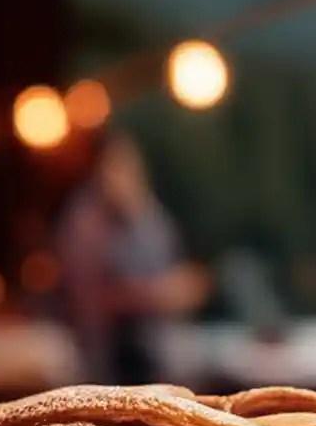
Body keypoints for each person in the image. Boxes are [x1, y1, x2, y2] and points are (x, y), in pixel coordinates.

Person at [54, 132, 207, 384]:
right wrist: (154, 295)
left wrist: (186, 286)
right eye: (118, 165)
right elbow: (86, 302)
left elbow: (173, 266)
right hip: (106, 355)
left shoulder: (148, 212)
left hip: (162, 340)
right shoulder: (84, 223)